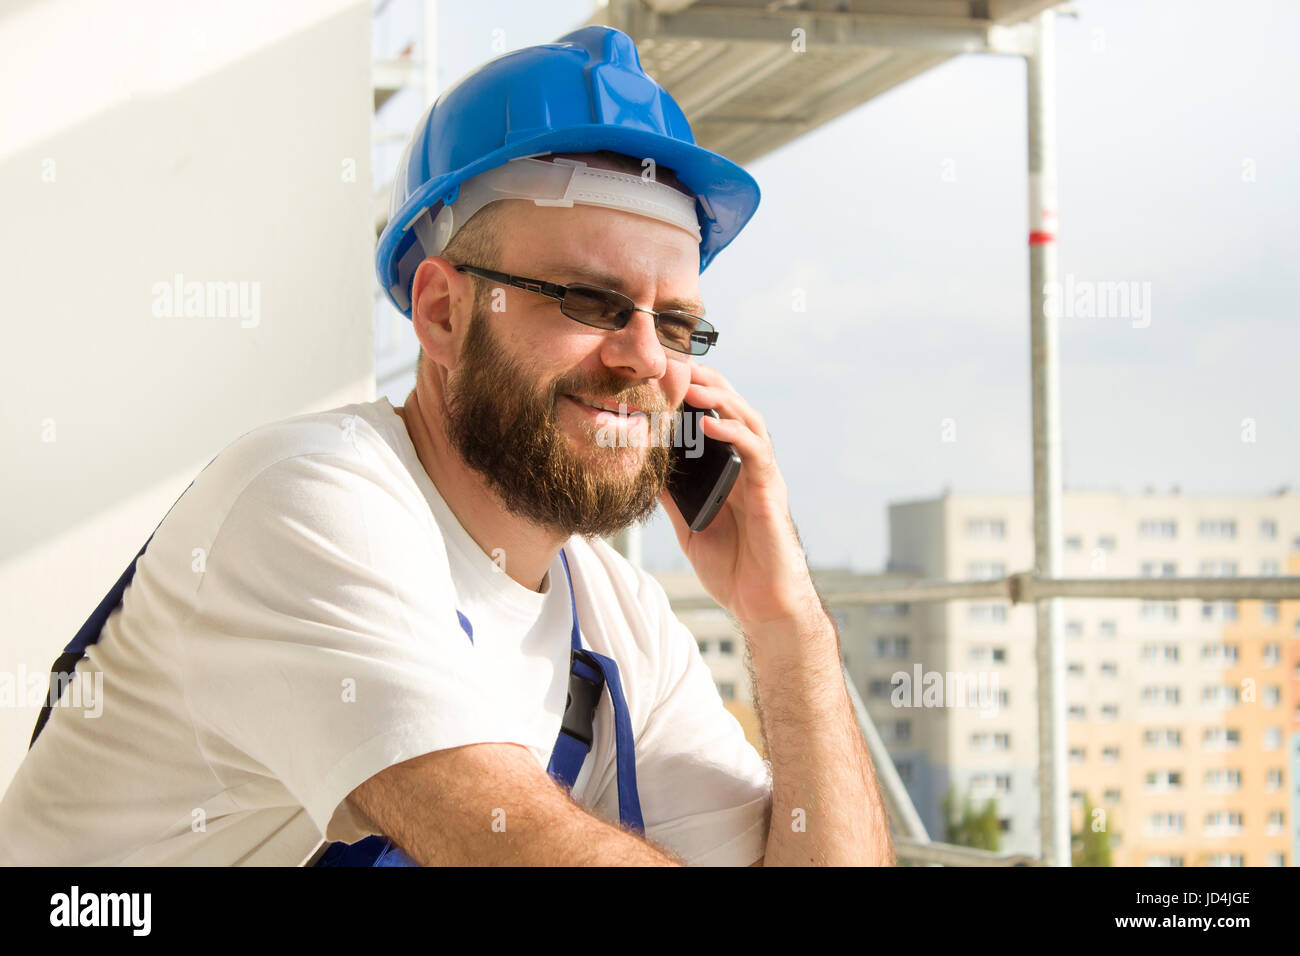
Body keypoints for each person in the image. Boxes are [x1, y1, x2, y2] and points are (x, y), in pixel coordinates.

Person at [0, 25, 893, 866]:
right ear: (442, 312)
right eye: (588, 301)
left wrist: (787, 623)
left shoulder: (621, 619)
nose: (644, 359)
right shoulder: (308, 504)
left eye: (677, 323)